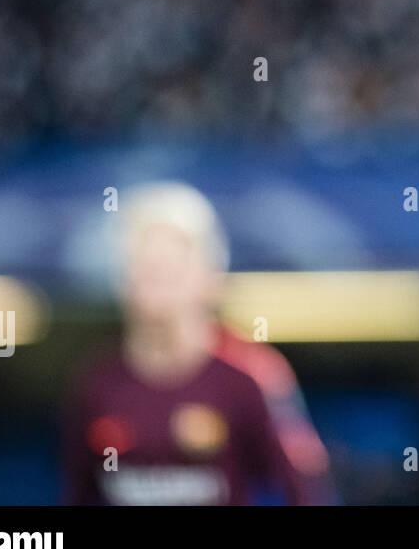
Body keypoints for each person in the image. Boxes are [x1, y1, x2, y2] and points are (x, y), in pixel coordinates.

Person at [62, 182, 331, 504]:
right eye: (146, 269)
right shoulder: (98, 385)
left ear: (210, 277)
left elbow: (304, 490)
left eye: (171, 269)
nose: (158, 284)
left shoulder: (249, 375)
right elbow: (77, 492)